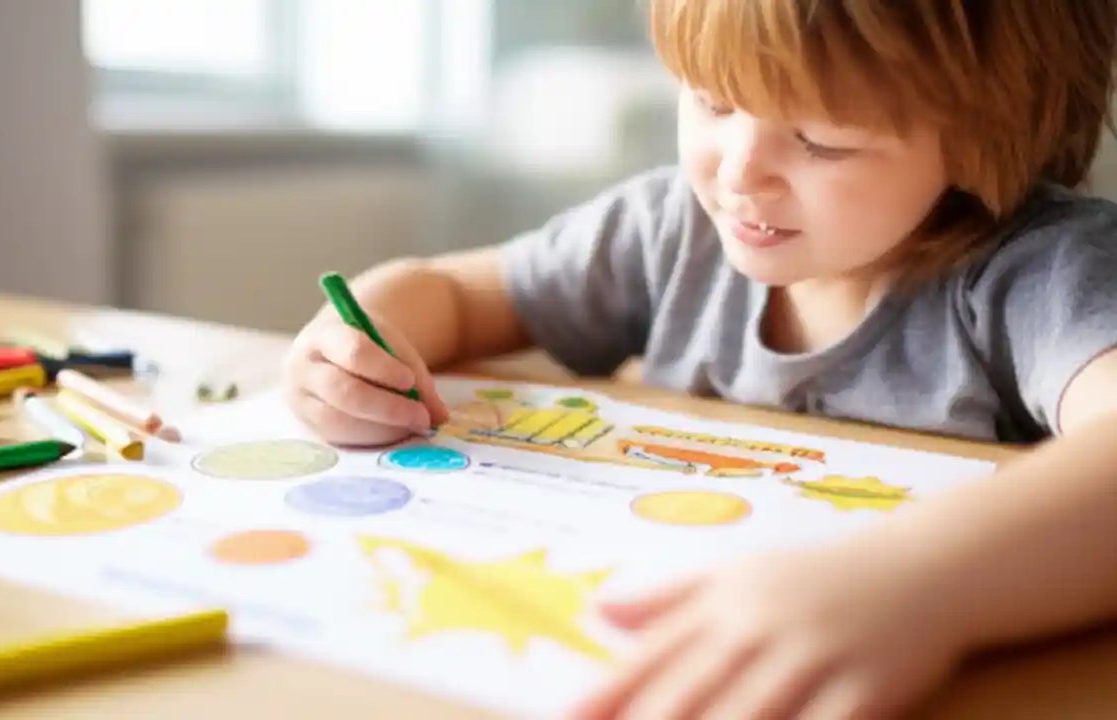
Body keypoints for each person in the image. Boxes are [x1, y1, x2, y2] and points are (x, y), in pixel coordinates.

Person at [284, 1, 1117, 716]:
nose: (739, 173)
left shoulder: (1042, 271)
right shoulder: (668, 229)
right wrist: (364, 330)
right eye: (714, 101)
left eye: (823, 141)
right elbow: (462, 295)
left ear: (980, 136)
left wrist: (919, 585)